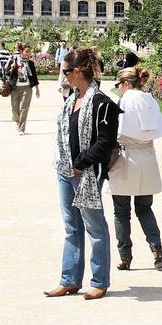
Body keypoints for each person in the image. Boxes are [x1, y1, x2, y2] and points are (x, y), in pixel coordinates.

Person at [47, 47, 120, 301]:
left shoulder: (103, 103)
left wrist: (82, 162)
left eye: (65, 71)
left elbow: (105, 142)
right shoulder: (71, 100)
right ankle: (69, 280)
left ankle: (99, 281)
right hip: (66, 171)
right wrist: (67, 164)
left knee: (95, 228)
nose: (63, 76)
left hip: (86, 174)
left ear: (78, 72)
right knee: (71, 228)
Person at [109, 65, 162, 271]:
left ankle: (125, 256)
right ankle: (156, 247)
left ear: (126, 84)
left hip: (126, 157)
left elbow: (116, 130)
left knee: (121, 211)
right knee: (145, 208)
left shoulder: (125, 100)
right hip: (147, 156)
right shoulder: (149, 99)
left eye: (119, 85)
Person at [6, 44, 40, 135]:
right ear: (21, 51)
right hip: (15, 88)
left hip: (27, 88)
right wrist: (11, 68)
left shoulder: (30, 63)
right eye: (27, 51)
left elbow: (34, 76)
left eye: (29, 51)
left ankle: (21, 129)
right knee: (14, 110)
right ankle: (17, 120)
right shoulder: (14, 61)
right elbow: (6, 72)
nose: (29, 53)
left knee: (24, 108)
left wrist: (37, 88)